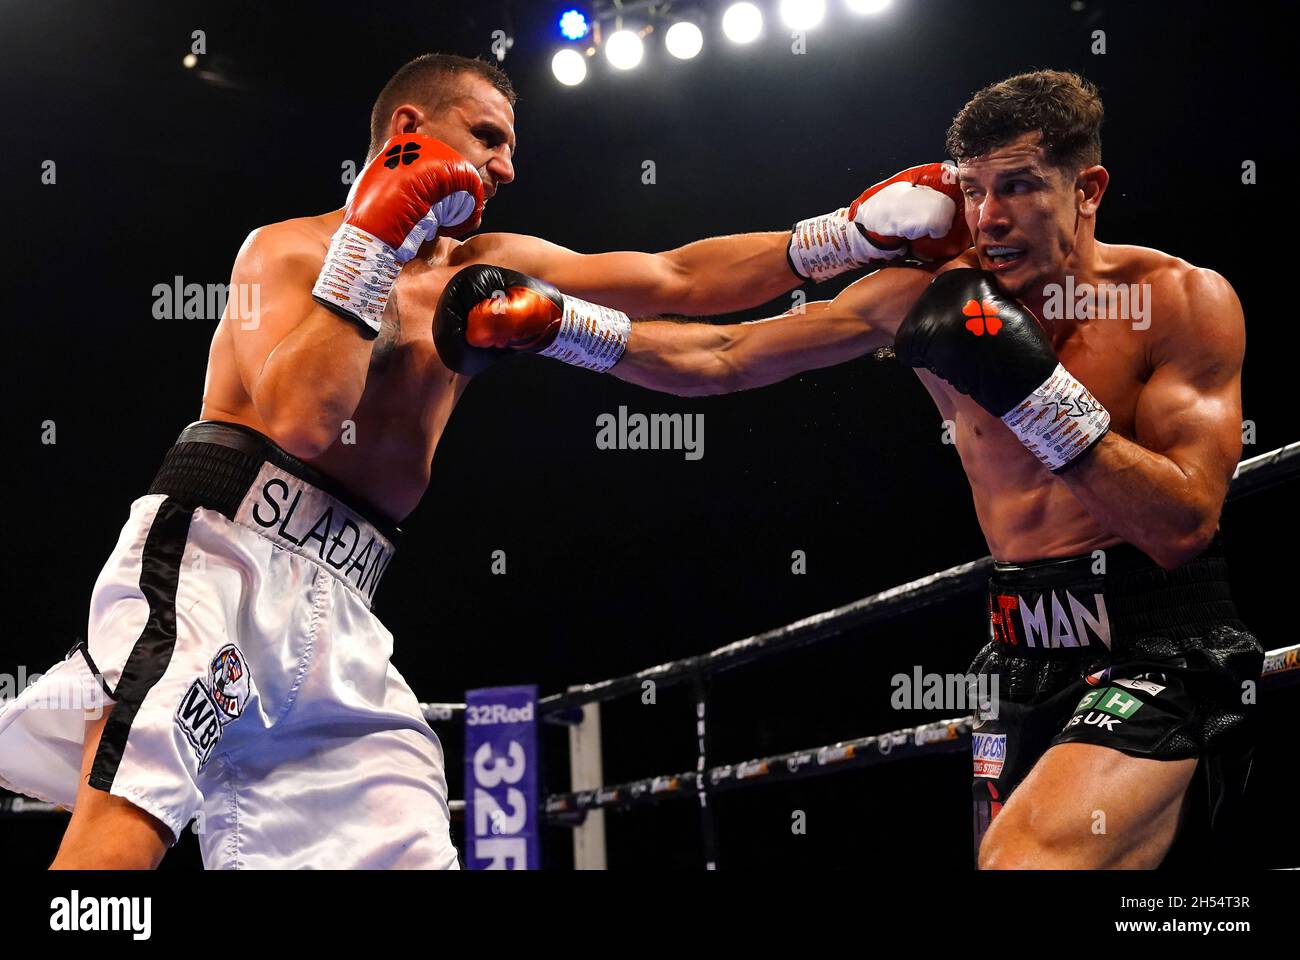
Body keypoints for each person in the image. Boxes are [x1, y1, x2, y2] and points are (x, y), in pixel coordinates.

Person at [0, 52, 966, 869]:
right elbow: (305, 419)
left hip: (342, 611)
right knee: (129, 816)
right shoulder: (287, 252)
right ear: (412, 129)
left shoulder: (486, 267)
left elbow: (678, 284)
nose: (508, 164)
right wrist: (372, 243)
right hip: (215, 559)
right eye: (489, 135)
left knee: (404, 836)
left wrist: (848, 237)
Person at [442, 70, 1261, 869]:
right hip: (1015, 647)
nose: (990, 218)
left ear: (1088, 189)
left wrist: (1028, 387)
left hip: (1160, 641)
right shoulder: (934, 292)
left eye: (1018, 187)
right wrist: (556, 326)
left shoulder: (1177, 301)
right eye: (973, 191)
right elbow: (724, 355)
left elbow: (1183, 526)